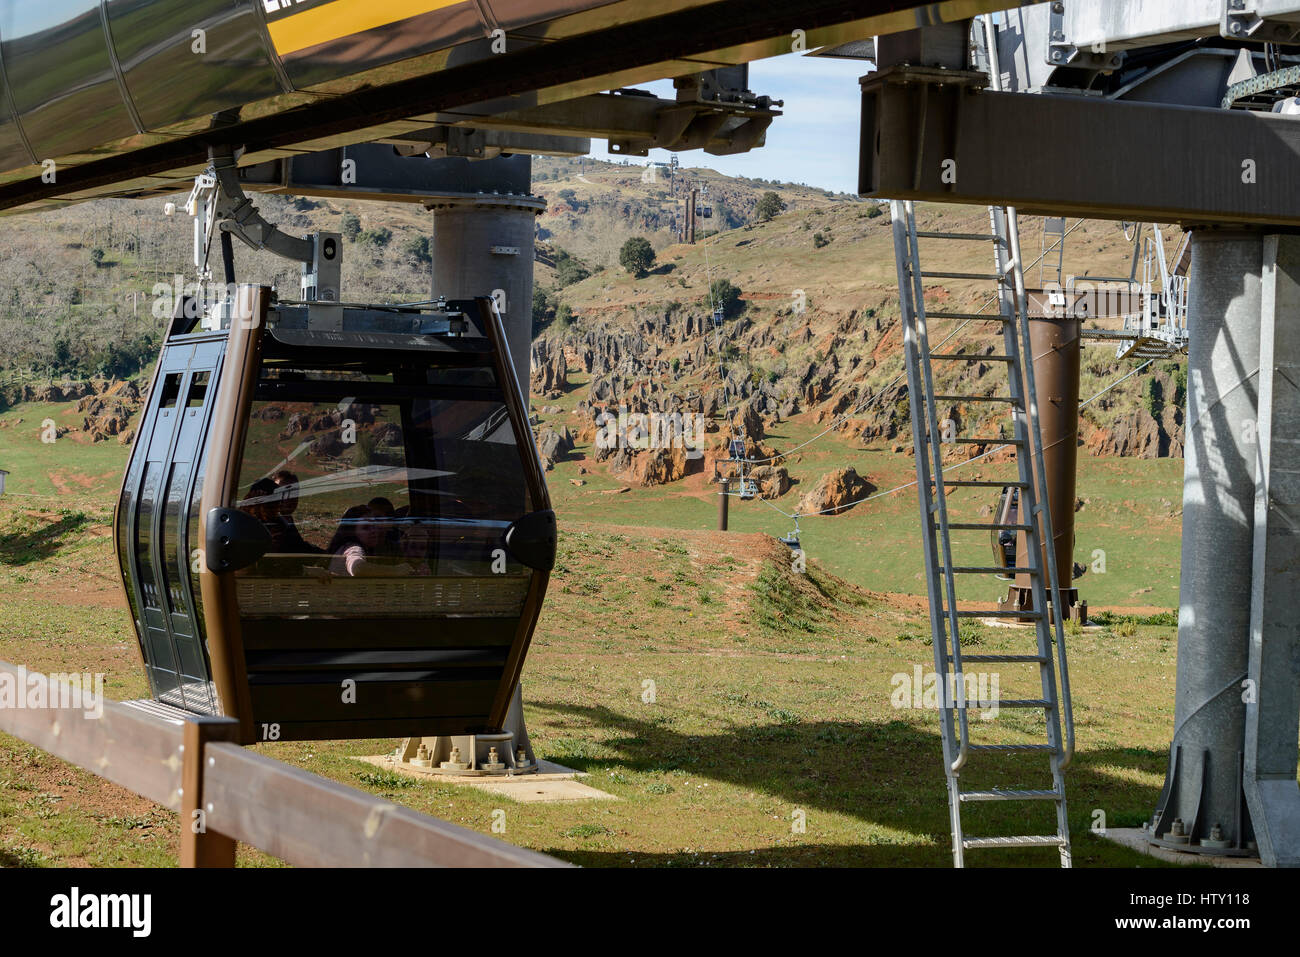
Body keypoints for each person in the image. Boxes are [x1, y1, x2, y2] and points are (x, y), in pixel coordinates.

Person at [328, 505, 409, 577]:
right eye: (366, 527)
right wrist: (396, 570)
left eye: (374, 526)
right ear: (352, 532)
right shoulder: (353, 548)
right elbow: (358, 568)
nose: (374, 531)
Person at [270, 470, 319, 553]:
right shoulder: (271, 524)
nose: (290, 498)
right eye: (283, 492)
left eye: (294, 492)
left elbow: (300, 546)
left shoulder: (287, 519)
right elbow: (297, 549)